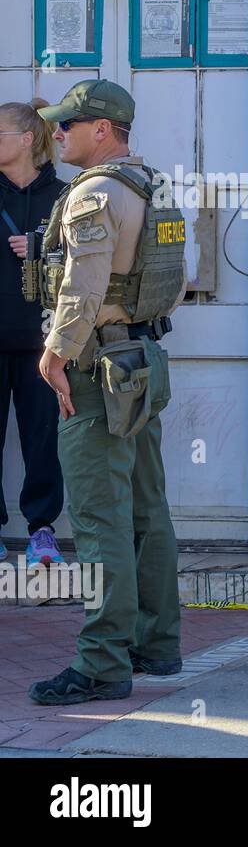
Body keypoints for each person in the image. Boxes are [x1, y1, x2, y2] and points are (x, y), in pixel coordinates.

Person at [27, 79, 188, 705]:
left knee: (99, 520)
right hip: (142, 360)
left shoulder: (95, 194)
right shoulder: (153, 186)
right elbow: (175, 279)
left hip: (97, 370)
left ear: (103, 130)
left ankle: (101, 662)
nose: (57, 134)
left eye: (68, 125)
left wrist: (56, 354)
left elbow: (83, 288)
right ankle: (158, 644)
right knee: (148, 509)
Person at [0, 99, 64, 564]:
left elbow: (90, 262)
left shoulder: (64, 196)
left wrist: (43, 250)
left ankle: (42, 530)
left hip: (45, 345)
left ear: (26, 141)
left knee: (43, 441)